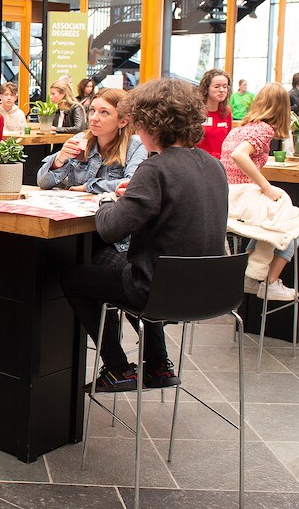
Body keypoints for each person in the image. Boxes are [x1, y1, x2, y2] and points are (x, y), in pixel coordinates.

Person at [61, 78, 227, 392]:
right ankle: (159, 365)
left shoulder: (155, 169)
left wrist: (108, 200)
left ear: (152, 124)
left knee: (74, 277)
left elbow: (111, 228)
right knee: (122, 265)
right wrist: (134, 194)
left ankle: (118, 368)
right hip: (211, 290)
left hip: (159, 291)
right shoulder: (213, 165)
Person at [221, 83, 299, 302]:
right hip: (242, 197)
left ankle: (250, 275)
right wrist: (266, 187)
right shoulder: (264, 129)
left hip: (228, 195)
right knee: (295, 224)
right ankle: (270, 282)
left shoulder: (240, 128)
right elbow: (239, 155)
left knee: (270, 222)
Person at [38, 87, 146, 194]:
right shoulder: (80, 140)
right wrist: (59, 160)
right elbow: (43, 182)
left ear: (123, 121)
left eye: (104, 112)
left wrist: (90, 186)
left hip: (110, 205)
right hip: (76, 204)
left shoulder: (136, 146)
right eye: (92, 110)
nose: (94, 118)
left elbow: (131, 184)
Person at [197, 69, 233, 159]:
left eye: (225, 87)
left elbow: (228, 142)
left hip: (221, 162)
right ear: (206, 88)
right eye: (217, 87)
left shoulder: (226, 112)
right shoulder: (196, 112)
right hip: (200, 161)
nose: (222, 90)